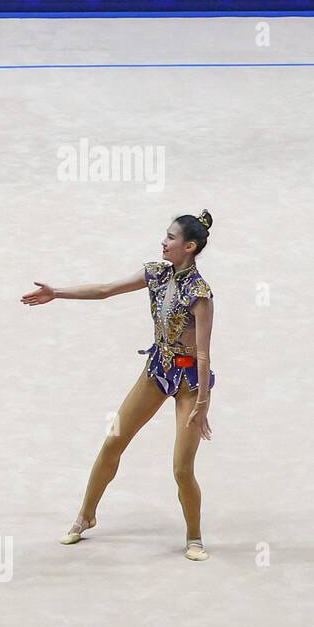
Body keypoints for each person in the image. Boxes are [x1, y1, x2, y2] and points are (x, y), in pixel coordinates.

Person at [21, 211, 216, 561]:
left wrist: (202, 403)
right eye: (165, 236)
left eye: (170, 238)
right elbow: (106, 290)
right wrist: (58, 293)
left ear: (189, 246)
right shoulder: (156, 273)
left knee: (182, 467)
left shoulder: (200, 293)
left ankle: (194, 536)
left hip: (190, 380)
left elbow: (203, 353)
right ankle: (86, 516)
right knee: (114, 440)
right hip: (157, 370)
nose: (163, 242)